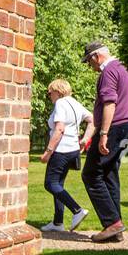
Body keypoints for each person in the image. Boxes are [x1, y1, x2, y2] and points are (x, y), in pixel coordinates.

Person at [80, 42, 128, 243]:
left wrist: (103, 134)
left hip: (113, 127)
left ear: (96, 57)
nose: (90, 67)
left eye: (89, 62)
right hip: (126, 126)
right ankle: (115, 228)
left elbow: (109, 103)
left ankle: (112, 223)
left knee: (91, 174)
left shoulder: (108, 72)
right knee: (109, 173)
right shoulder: (124, 68)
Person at [41, 79, 93, 234]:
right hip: (73, 151)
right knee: (58, 185)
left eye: (50, 92)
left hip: (61, 150)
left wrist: (48, 151)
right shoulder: (75, 103)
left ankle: (77, 210)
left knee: (50, 184)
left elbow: (59, 129)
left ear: (57, 91)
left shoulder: (60, 103)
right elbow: (92, 120)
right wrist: (85, 140)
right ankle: (58, 222)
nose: (49, 95)